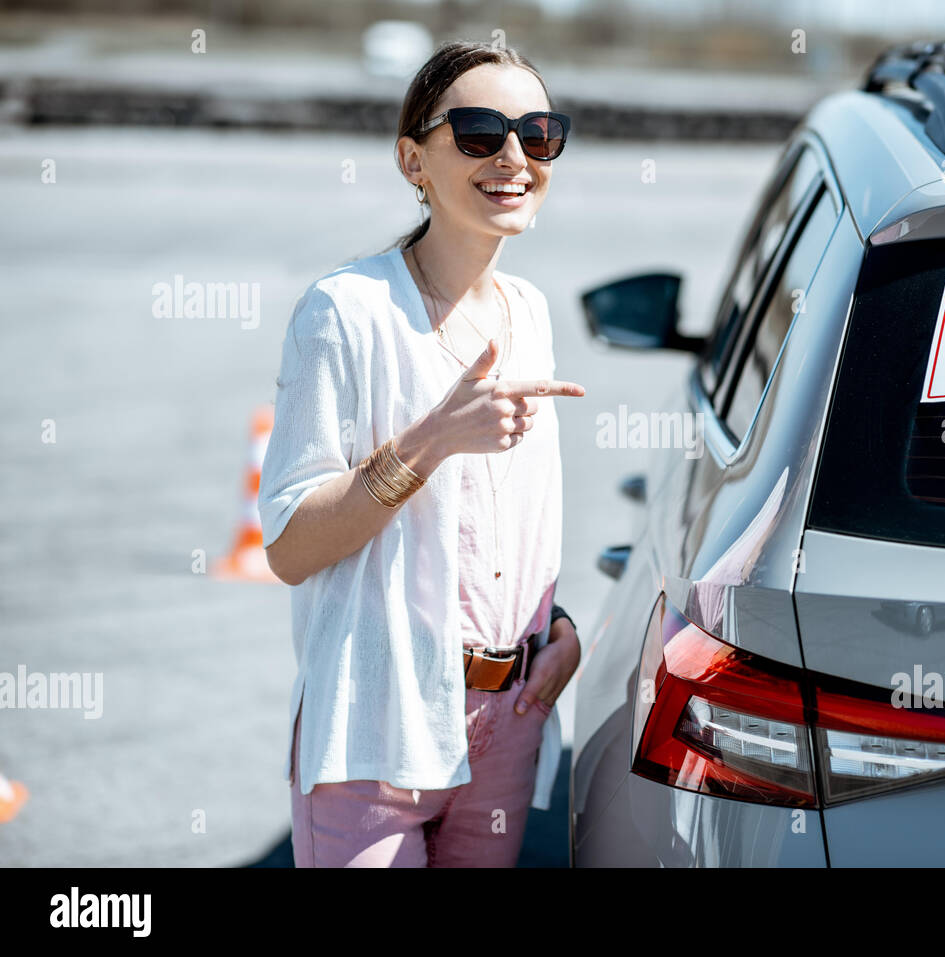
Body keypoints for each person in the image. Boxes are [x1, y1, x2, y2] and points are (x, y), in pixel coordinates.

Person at [257, 39, 585, 867]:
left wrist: (560, 627)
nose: (514, 156)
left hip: (506, 724)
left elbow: (502, 532)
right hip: (376, 722)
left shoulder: (531, 312)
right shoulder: (346, 311)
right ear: (414, 158)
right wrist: (432, 439)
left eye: (539, 133)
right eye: (478, 132)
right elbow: (293, 547)